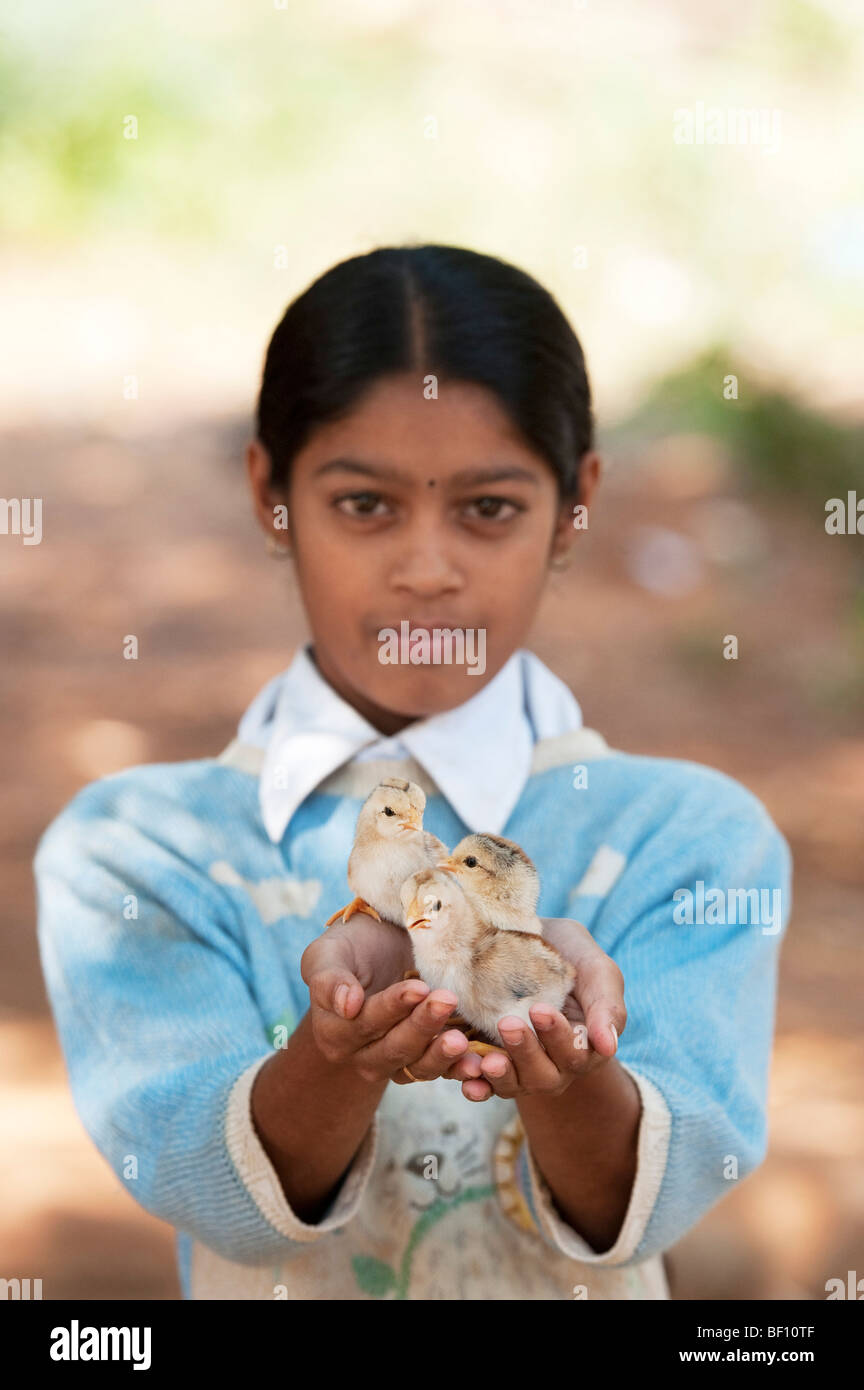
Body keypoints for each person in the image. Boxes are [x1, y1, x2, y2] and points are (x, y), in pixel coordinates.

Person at [34, 244, 791, 1301]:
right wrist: (333, 1052)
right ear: (272, 493)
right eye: (365, 505)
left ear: (576, 504)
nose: (428, 568)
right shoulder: (140, 853)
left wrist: (567, 1054)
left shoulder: (688, 838)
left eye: (488, 508)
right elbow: (203, 1188)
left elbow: (658, 1197)